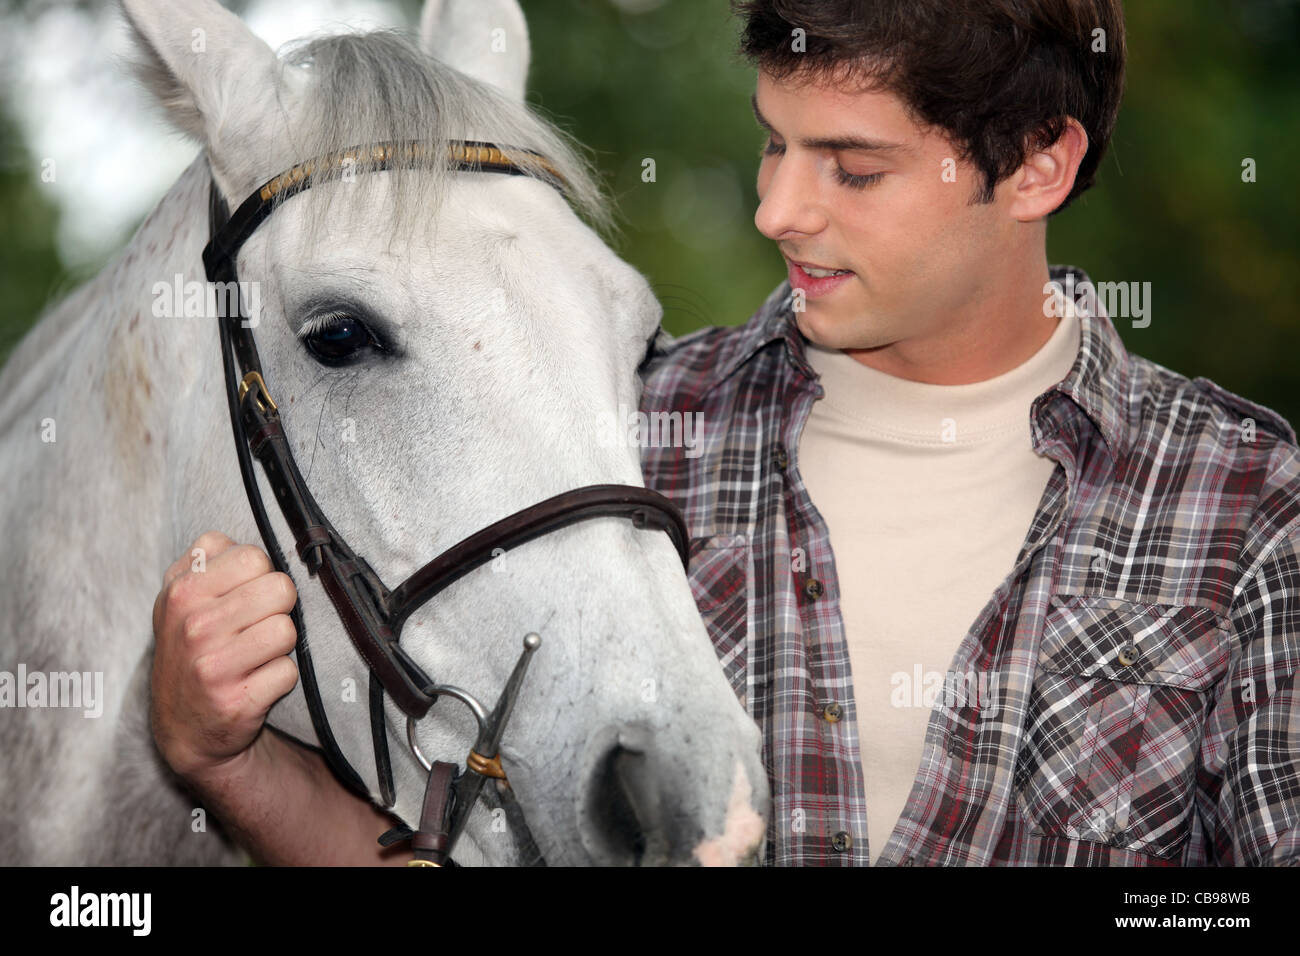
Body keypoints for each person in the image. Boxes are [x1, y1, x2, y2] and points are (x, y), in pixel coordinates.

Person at [152, 0, 1300, 866]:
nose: (777, 211)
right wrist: (227, 760)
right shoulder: (629, 439)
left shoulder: (1245, 502)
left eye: (852, 168)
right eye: (773, 144)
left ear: (1038, 164)